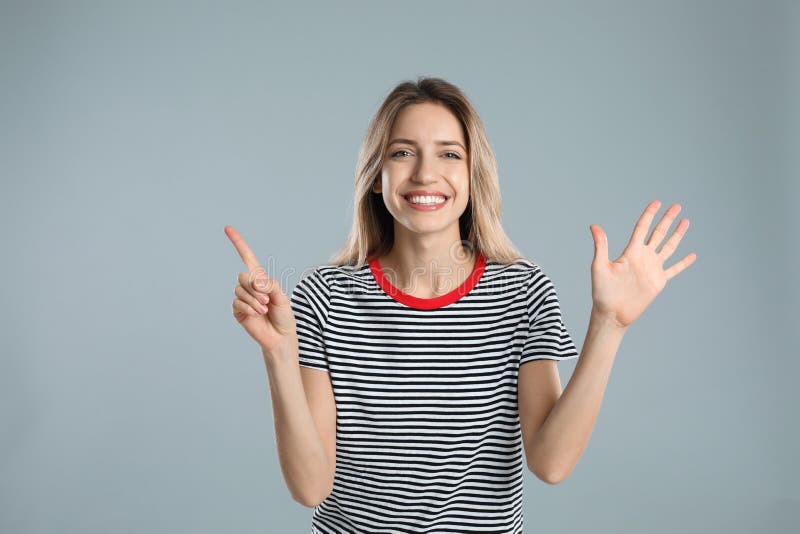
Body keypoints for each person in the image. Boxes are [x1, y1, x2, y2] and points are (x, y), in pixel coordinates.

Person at [225, 77, 696, 533]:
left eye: (449, 154)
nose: (425, 173)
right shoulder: (324, 296)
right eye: (402, 152)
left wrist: (609, 324)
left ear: (473, 175)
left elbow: (551, 463)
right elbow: (310, 488)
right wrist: (279, 353)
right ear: (376, 177)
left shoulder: (524, 292)